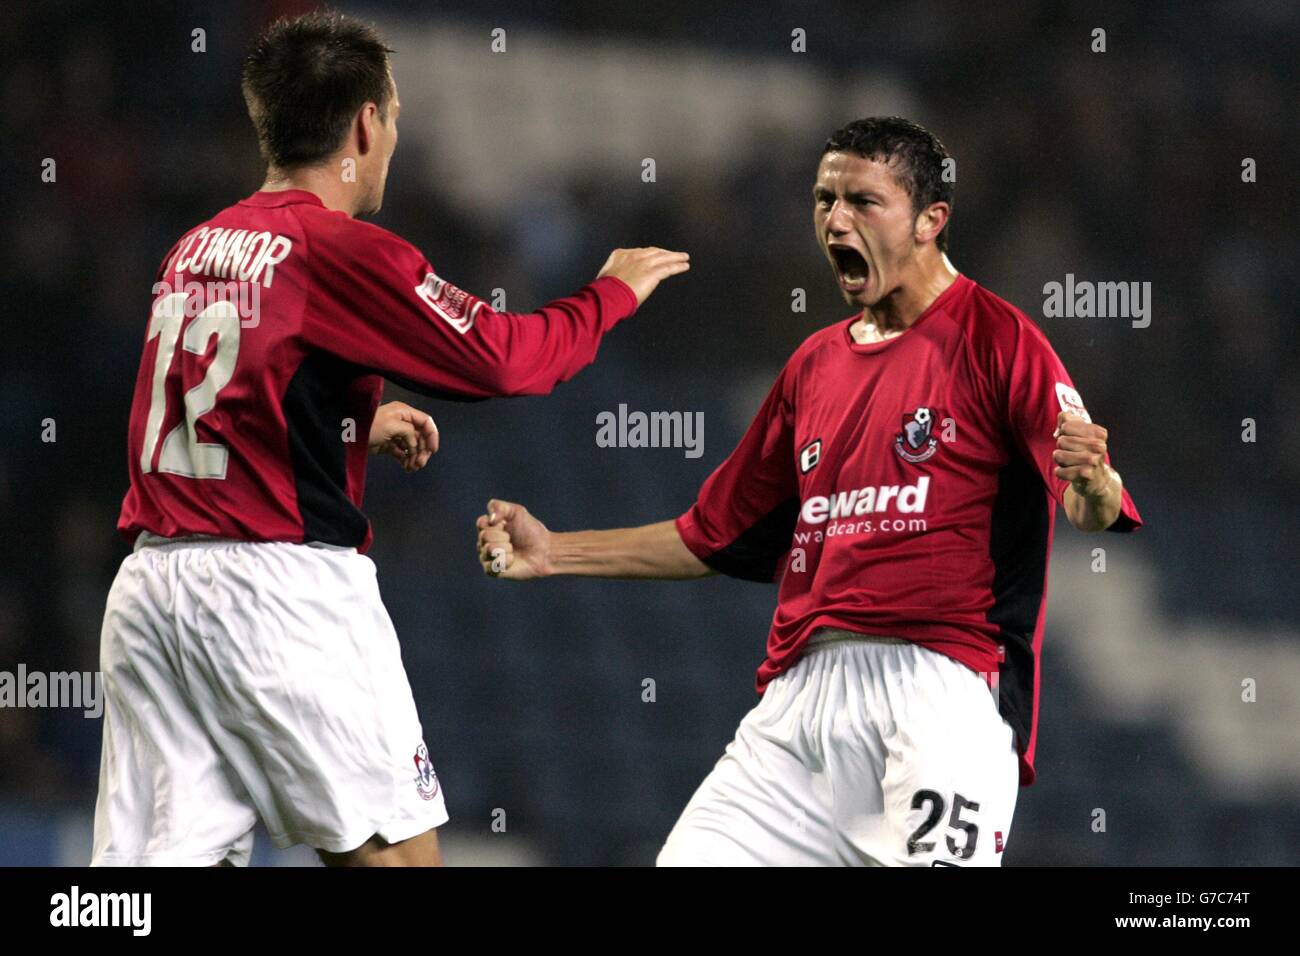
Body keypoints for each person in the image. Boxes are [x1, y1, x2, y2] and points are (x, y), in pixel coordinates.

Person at [93, 11, 688, 867]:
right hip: (277, 591)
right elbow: (505, 361)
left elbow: (206, 404)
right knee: (398, 862)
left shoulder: (193, 248)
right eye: (397, 117)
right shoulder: (339, 249)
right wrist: (611, 293)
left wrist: (348, 423)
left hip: (153, 593)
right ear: (367, 124)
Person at [475, 116, 1142, 866]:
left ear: (931, 220)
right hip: (798, 706)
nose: (835, 219)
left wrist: (1095, 479)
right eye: (826, 199)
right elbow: (710, 536)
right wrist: (554, 552)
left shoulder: (1000, 339)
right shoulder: (813, 367)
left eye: (863, 201)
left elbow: (1090, 508)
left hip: (940, 695)